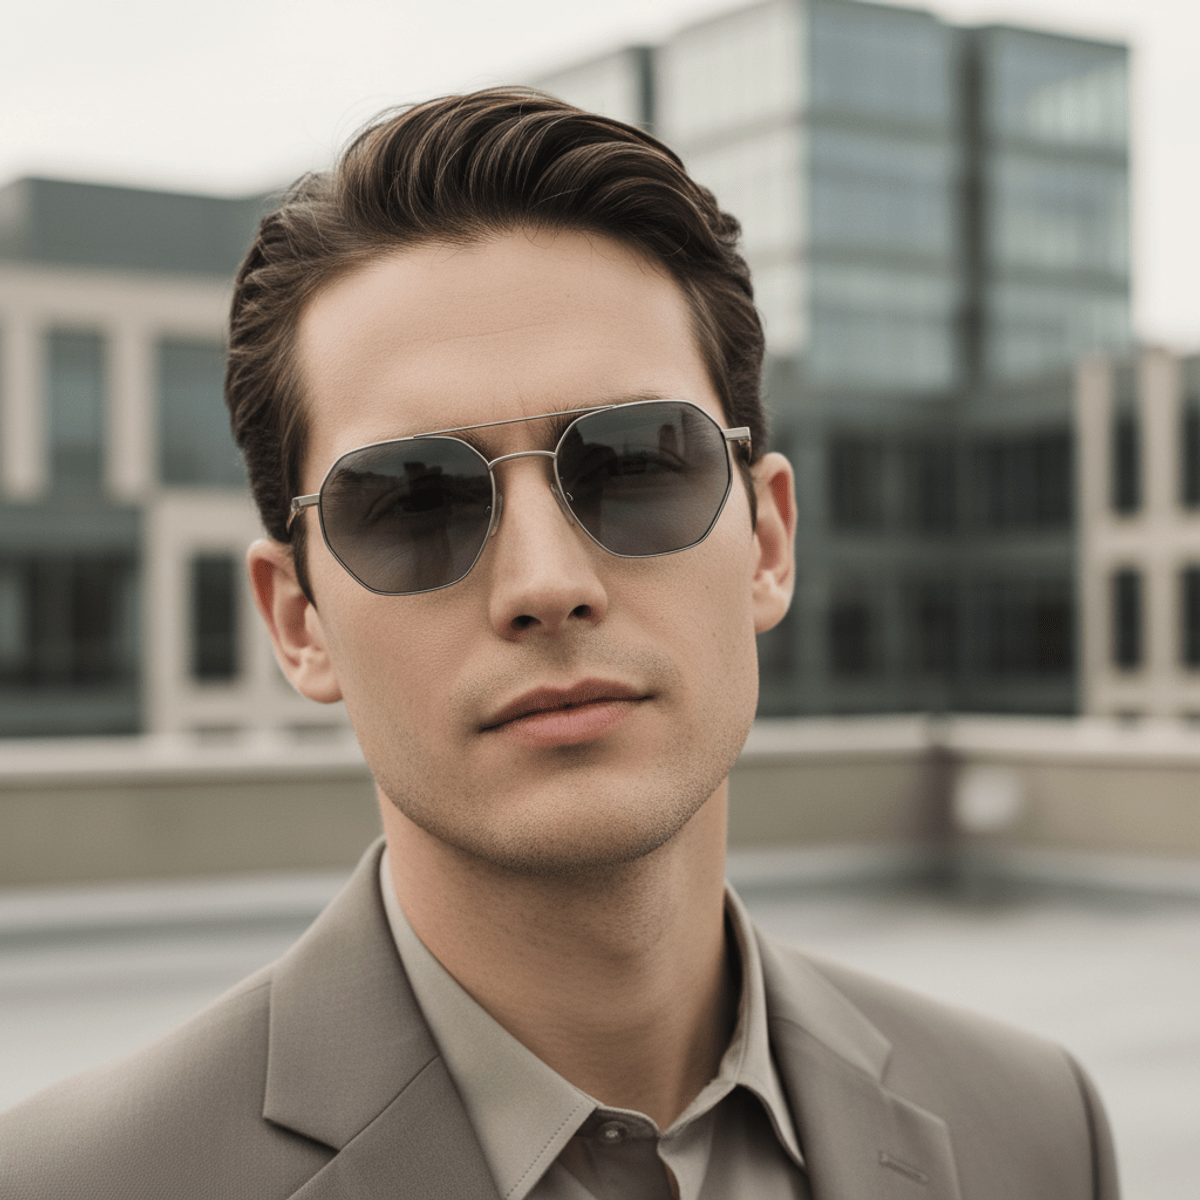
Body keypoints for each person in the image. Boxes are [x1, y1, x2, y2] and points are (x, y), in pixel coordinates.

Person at [0, 89, 1117, 1200]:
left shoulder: (1035, 1132)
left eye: (637, 463)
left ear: (769, 542)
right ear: (299, 622)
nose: (547, 585)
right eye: (414, 501)